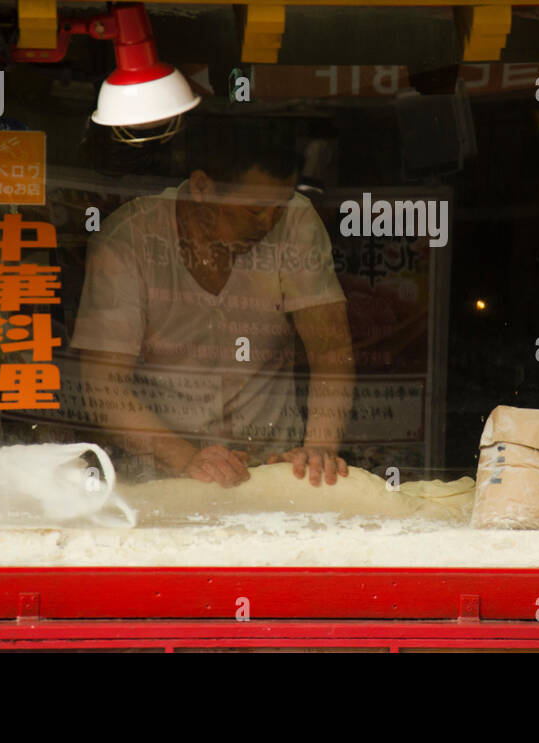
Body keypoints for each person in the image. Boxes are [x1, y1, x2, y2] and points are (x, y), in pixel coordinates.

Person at [70, 115, 353, 487]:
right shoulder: (130, 239)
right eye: (254, 209)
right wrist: (184, 459)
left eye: (280, 206)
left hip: (272, 467)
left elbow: (331, 351)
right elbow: (104, 383)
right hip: (164, 477)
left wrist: (318, 449)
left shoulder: (297, 222)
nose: (269, 222)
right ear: (202, 187)